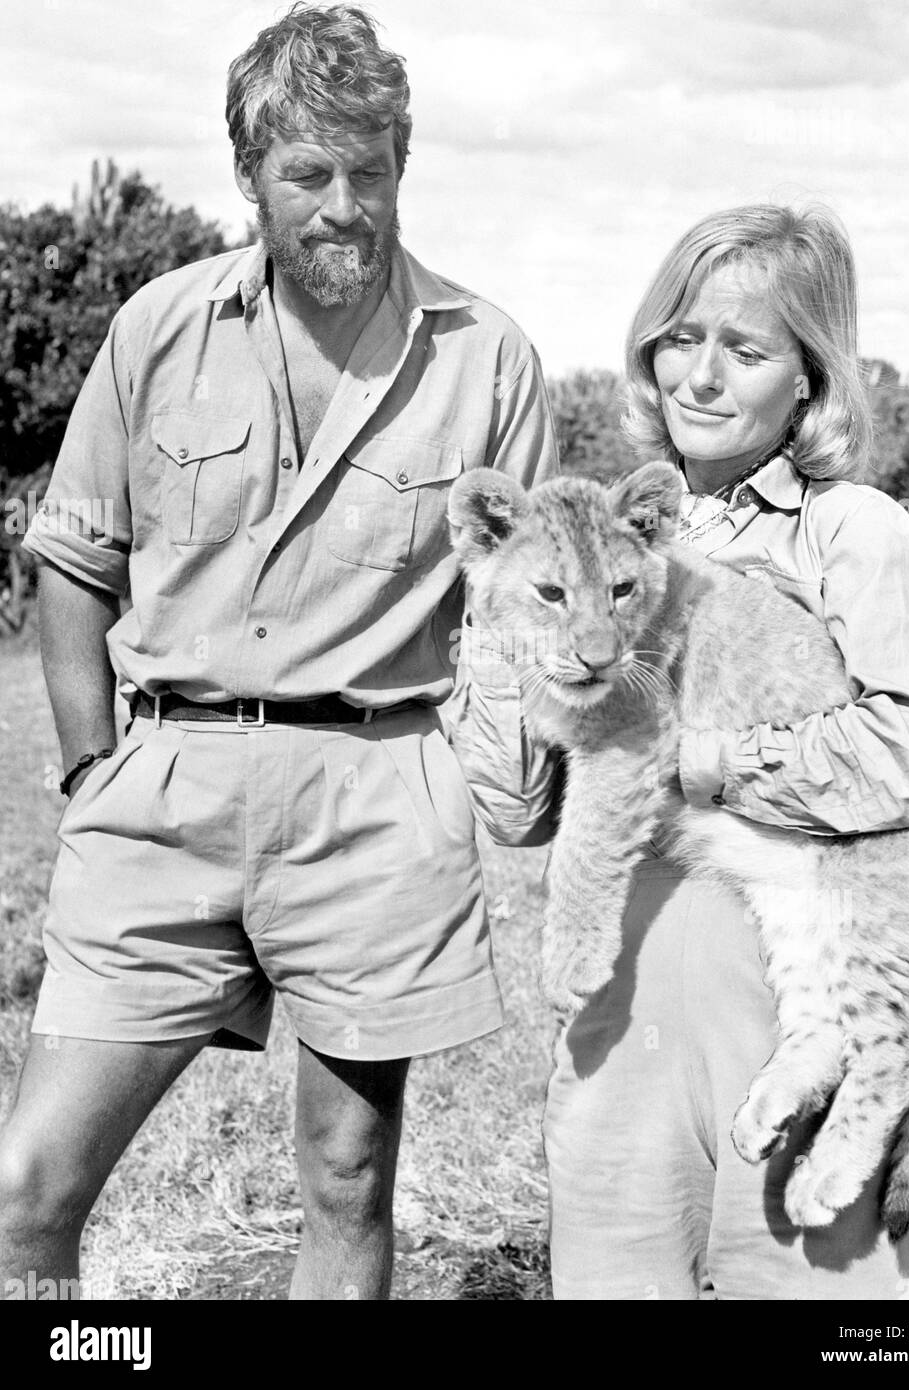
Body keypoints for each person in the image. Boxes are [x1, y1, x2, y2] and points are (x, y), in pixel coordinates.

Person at [1, 3, 558, 1301]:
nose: (344, 205)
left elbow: (526, 614)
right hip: (165, 780)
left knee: (347, 1176)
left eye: (371, 170)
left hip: (378, 791)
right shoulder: (157, 329)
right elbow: (73, 558)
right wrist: (93, 773)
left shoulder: (492, 361)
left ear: (402, 168)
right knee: (29, 1193)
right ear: (248, 171)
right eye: (309, 172)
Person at [447, 203, 909, 1299]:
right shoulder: (608, 529)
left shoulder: (854, 529)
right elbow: (514, 811)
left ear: (808, 377)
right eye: (679, 339)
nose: (700, 374)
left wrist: (713, 762)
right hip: (626, 1017)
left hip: (793, 984)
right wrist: (506, 626)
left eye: (744, 349)